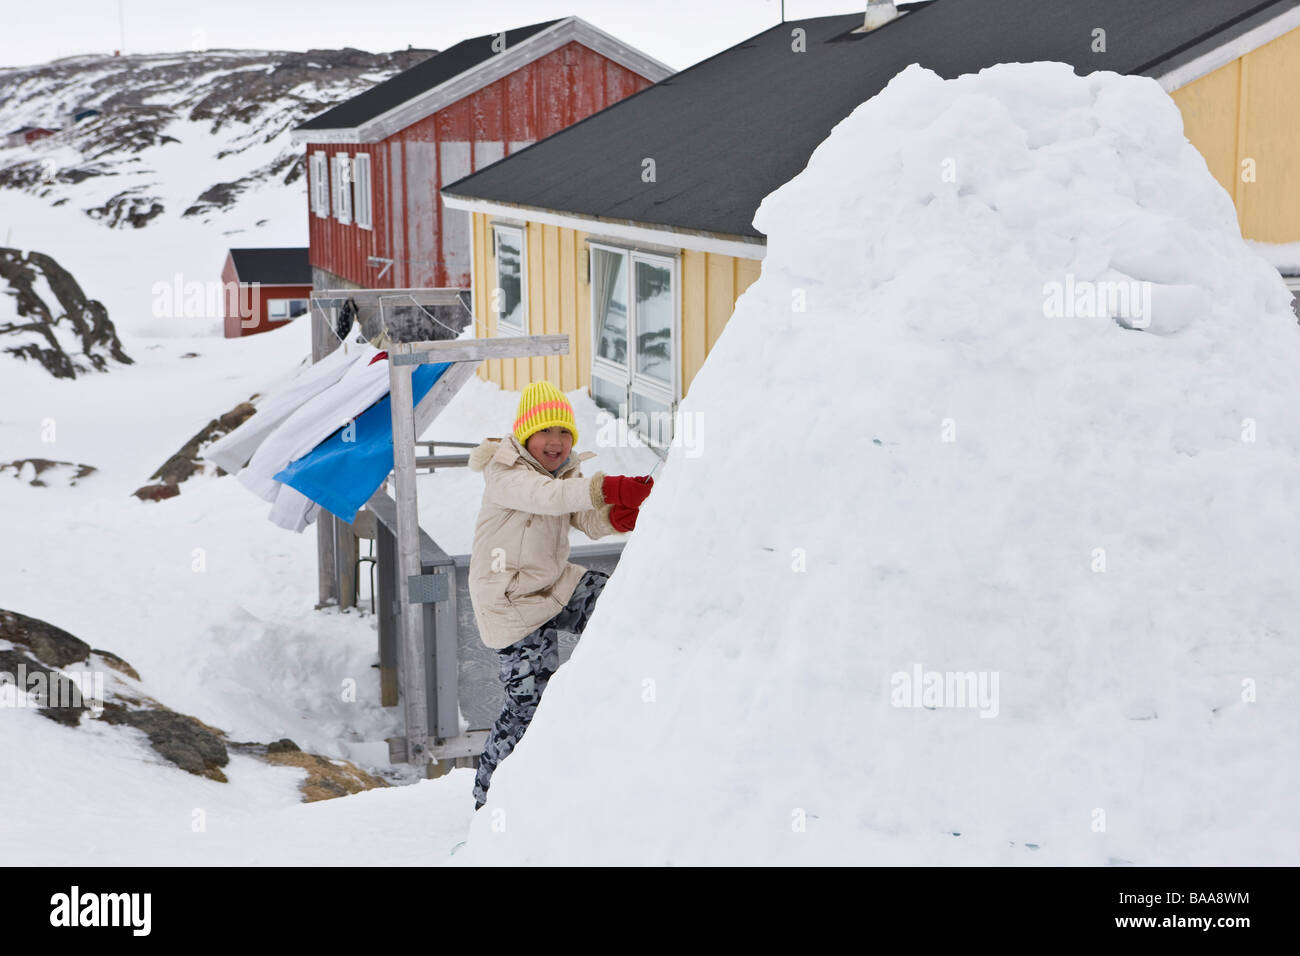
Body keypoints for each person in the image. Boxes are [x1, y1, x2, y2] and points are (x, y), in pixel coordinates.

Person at [466, 381, 653, 809]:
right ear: (525, 435)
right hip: (510, 603)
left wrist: (620, 514)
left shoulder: (563, 472)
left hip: (554, 584)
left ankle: (626, 696)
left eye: (565, 432)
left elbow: (586, 518)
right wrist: (611, 487)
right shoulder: (504, 471)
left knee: (617, 603)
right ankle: (488, 802)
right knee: (526, 706)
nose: (556, 442)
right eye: (545, 432)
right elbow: (547, 499)